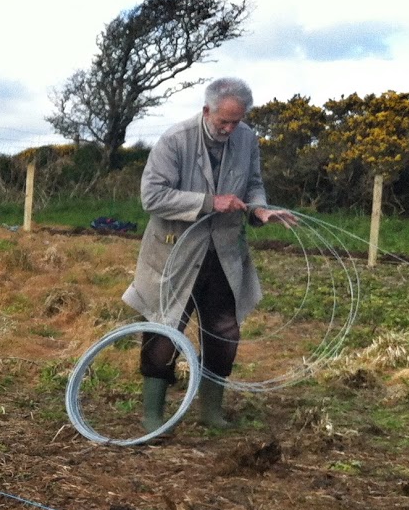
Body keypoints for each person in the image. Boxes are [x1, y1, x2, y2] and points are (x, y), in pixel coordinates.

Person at [122, 77, 296, 433]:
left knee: (223, 332)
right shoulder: (175, 140)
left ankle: (210, 412)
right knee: (164, 328)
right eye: (223, 122)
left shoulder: (246, 139)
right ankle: (153, 416)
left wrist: (260, 210)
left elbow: (254, 184)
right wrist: (208, 202)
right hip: (175, 252)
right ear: (206, 110)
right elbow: (152, 197)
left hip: (224, 253)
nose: (230, 129)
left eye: (237, 121)